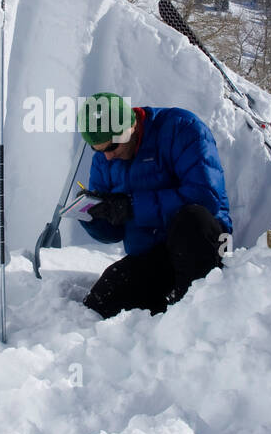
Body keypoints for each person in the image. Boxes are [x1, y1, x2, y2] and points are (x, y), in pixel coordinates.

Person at [77, 92, 232, 318]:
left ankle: (197, 313)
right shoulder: (104, 159)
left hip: (204, 243)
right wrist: (95, 216)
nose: (108, 157)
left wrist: (131, 206)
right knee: (100, 303)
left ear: (130, 127)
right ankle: (165, 314)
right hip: (154, 254)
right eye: (99, 150)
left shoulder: (182, 128)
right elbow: (113, 233)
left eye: (112, 147)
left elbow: (205, 195)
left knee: (192, 218)